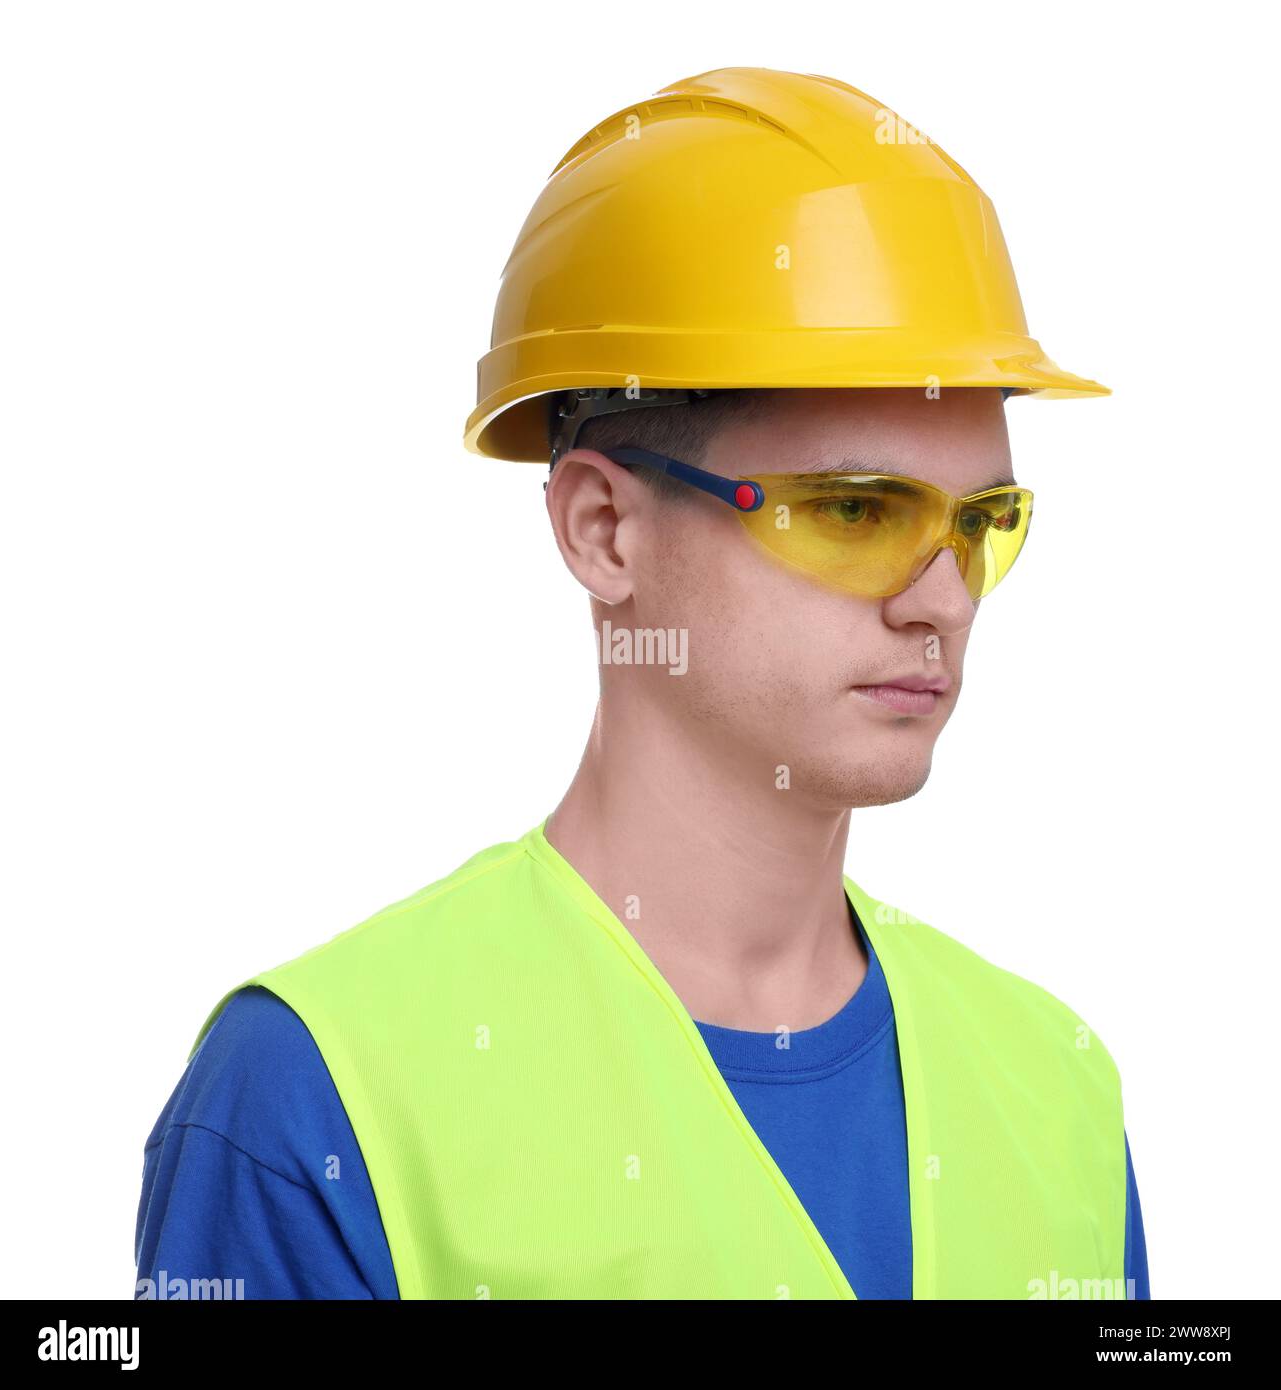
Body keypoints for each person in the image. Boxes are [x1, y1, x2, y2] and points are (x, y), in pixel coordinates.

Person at [136, 66, 1148, 1300]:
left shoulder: (1059, 1086)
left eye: (981, 520)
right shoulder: (319, 1098)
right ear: (605, 531)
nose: (941, 597)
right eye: (854, 510)